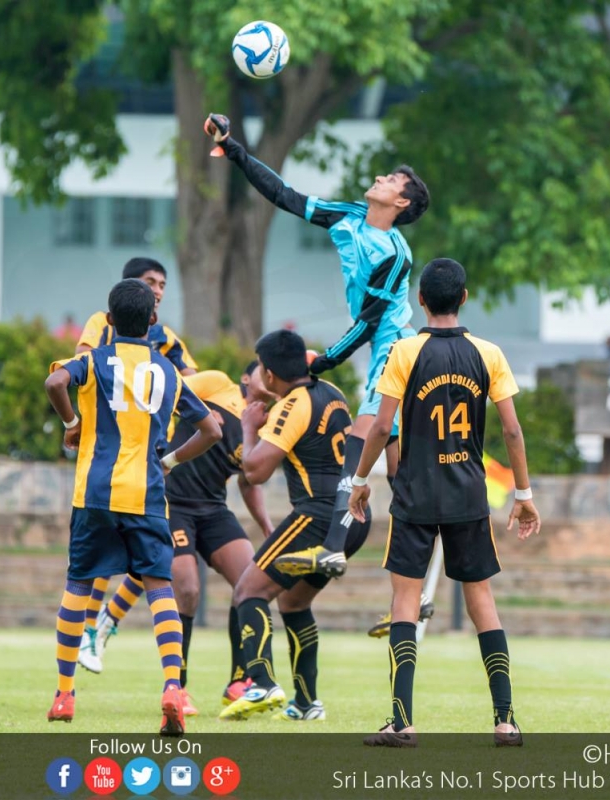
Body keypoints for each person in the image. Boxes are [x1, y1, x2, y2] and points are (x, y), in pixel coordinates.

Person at [204, 112, 431, 580]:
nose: (380, 177)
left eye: (391, 179)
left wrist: (324, 361)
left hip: (395, 348)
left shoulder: (396, 254)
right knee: (399, 470)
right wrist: (235, 150)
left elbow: (371, 321)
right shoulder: (348, 215)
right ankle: (414, 586)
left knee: (359, 441)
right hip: (381, 351)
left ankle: (331, 548)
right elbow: (285, 196)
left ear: (402, 200)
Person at [347, 259, 541, 747]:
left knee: (404, 602)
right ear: (465, 298)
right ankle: (506, 721)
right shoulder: (488, 353)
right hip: (468, 495)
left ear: (421, 302)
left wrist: (359, 479)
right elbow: (512, 431)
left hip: (414, 495)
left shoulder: (404, 352)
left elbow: (379, 426)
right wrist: (523, 494)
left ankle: (402, 722)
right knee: (482, 603)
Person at [44, 279, 222, 735]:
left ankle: (64, 694)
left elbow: (55, 381)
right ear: (153, 321)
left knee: (79, 584)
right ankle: (171, 687)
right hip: (147, 496)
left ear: (108, 319)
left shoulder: (93, 361)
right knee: (159, 588)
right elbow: (212, 430)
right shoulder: (168, 370)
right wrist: (169, 459)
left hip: (95, 494)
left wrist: (72, 423)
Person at [83, 362, 281, 713]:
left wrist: (266, 525)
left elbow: (248, 480)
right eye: (262, 368)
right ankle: (178, 687)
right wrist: (201, 416)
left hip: (213, 508)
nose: (270, 374)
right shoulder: (219, 383)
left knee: (250, 580)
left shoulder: (265, 424)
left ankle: (239, 681)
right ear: (246, 377)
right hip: (171, 501)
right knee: (187, 588)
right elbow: (169, 393)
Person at [218, 330, 366, 722]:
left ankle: (262, 683)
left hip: (317, 515)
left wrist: (250, 427)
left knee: (248, 590)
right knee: (293, 601)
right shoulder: (329, 389)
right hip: (351, 515)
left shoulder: (293, 405)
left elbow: (255, 471)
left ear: (267, 373)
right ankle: (306, 702)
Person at [77, 257, 199, 673]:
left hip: (153, 461)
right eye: (151, 282)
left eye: (163, 283)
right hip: (107, 454)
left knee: (150, 557)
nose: (159, 290)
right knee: (117, 558)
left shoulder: (164, 336)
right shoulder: (101, 324)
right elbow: (83, 361)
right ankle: (94, 628)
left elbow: (191, 380)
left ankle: (106, 623)